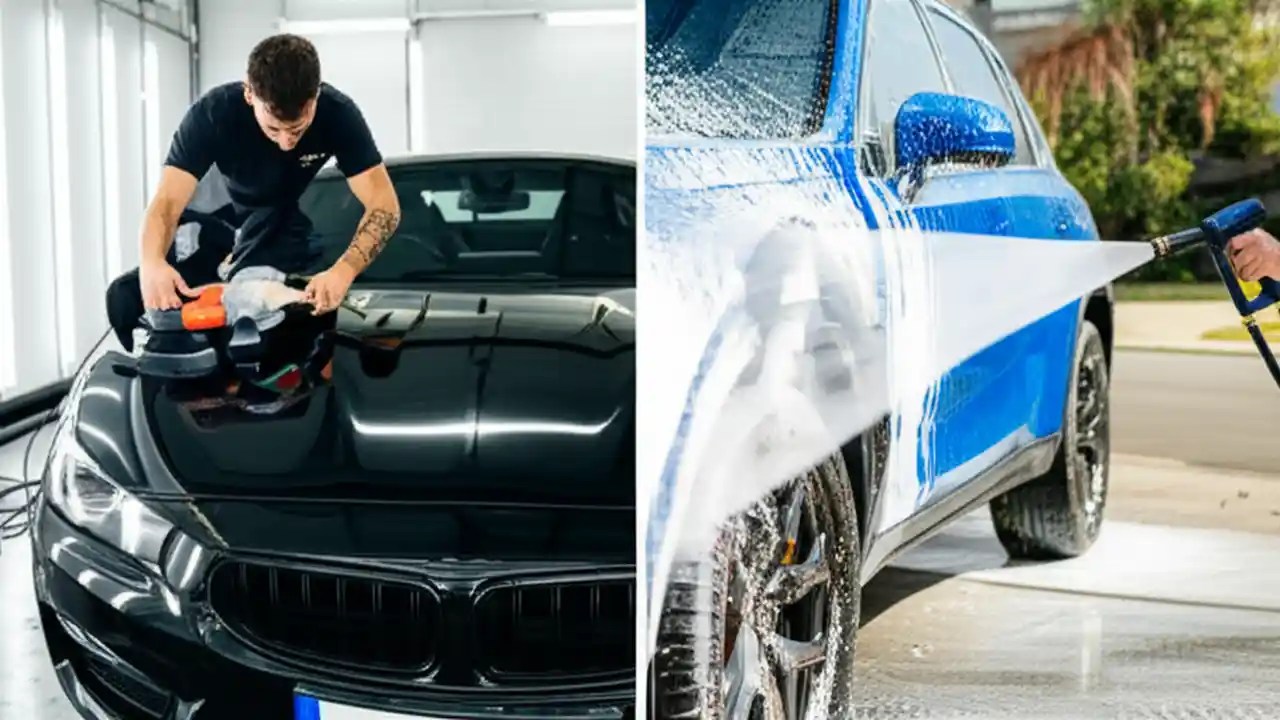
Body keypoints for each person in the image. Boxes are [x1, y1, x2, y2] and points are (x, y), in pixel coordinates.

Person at [105, 33, 400, 350]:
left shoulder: (338, 115)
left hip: (275, 221)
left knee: (273, 321)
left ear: (315, 97)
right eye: (274, 128)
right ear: (249, 94)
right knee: (126, 298)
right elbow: (166, 202)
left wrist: (343, 271)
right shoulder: (212, 115)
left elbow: (385, 206)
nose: (287, 141)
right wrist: (152, 262)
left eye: (298, 129)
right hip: (213, 219)